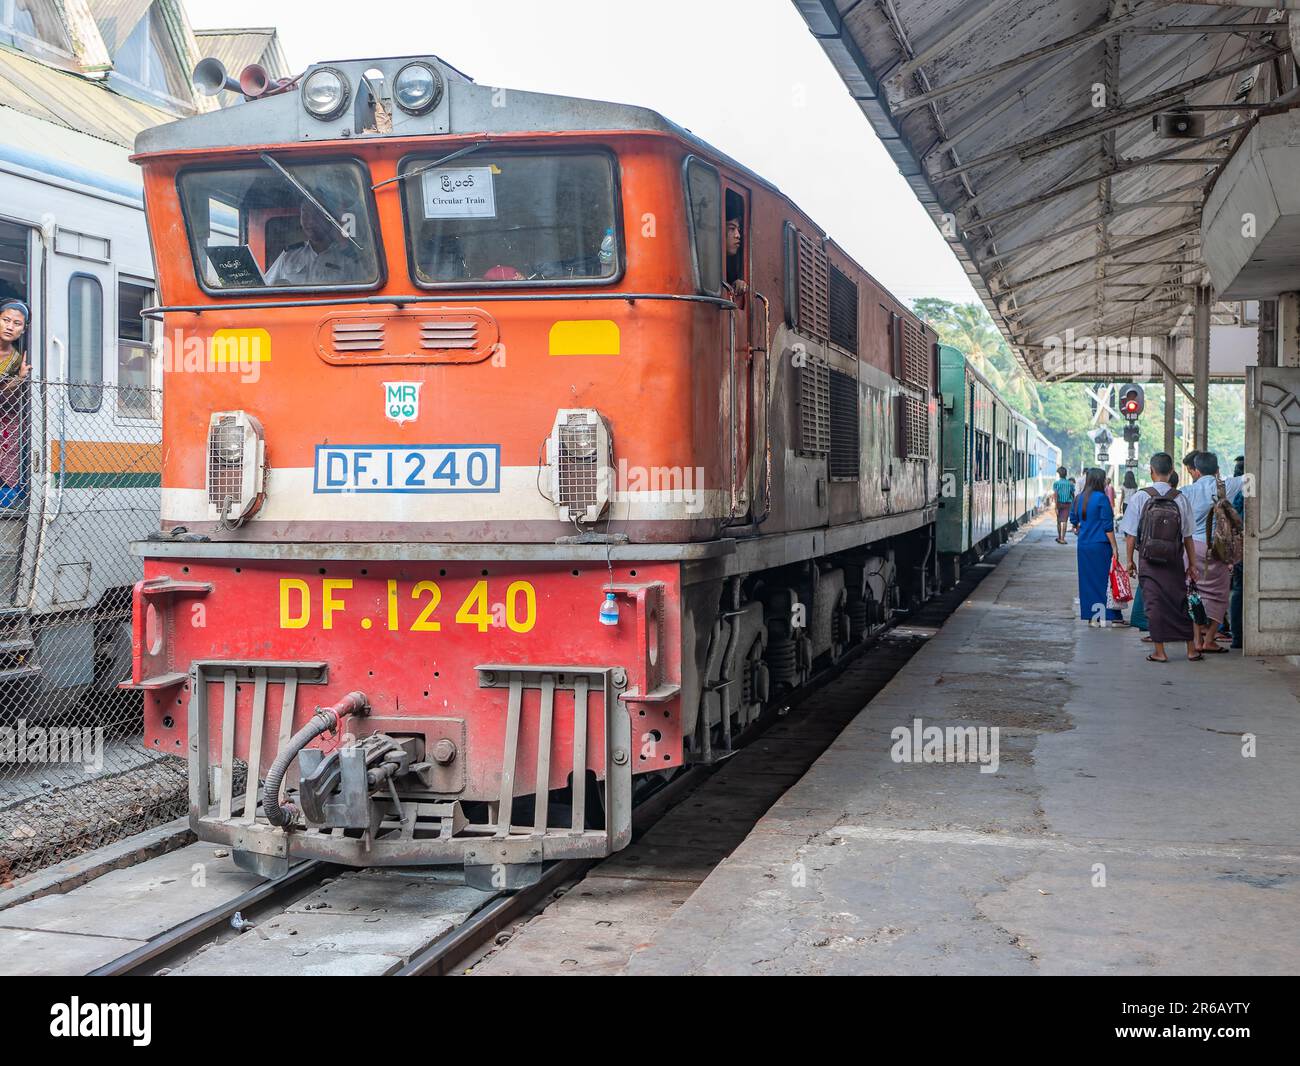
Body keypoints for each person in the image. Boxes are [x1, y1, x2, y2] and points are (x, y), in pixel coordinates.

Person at [1120, 452, 1199, 663]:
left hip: (1149, 559)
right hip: (1174, 559)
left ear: (1151, 471)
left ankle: (1160, 651)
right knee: (1180, 602)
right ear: (1172, 471)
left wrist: (1129, 562)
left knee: (1153, 604)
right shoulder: (1180, 498)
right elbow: (1188, 536)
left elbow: (1130, 535)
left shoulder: (1140, 497)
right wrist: (1192, 564)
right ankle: (1191, 650)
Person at [1182, 451, 1246, 654]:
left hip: (1192, 548)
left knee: (1193, 593)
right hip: (1216, 550)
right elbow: (1249, 478)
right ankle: (1209, 639)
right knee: (1219, 595)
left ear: (1197, 472)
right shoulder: (1226, 486)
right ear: (1217, 470)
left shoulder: (1186, 491)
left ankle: (1196, 639)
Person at [1069, 467, 1123, 626]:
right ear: (1100, 480)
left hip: (1084, 545)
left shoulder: (1079, 498)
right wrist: (1114, 547)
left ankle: (1093, 617)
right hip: (1100, 546)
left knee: (1087, 582)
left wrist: (1081, 529)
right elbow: (1108, 527)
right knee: (1103, 582)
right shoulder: (1102, 498)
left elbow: (1073, 520)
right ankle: (1108, 616)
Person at [264, 198, 361, 286]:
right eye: (305, 214)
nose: (310, 221)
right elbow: (265, 288)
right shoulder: (288, 256)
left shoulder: (347, 260)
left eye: (316, 215)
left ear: (329, 218)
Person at [0, 299, 30, 510]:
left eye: (17, 323)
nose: (10, 327)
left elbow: (7, 399)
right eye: (5, 320)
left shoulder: (17, 360)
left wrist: (19, 379)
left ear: (23, 329)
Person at [1229, 456, 1246, 649]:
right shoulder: (1247, 486)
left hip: (1237, 546)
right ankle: (1240, 636)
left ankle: (1237, 637)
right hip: (1247, 544)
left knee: (1238, 591)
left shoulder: (1230, 488)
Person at [1051, 464, 1074, 543]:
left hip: (1059, 503)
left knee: (1058, 521)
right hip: (1067, 504)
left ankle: (1059, 536)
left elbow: (1055, 494)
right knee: (1064, 521)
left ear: (1059, 474)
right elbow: (1072, 494)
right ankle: (1063, 538)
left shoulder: (1056, 483)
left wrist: (1056, 506)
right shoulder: (1070, 484)